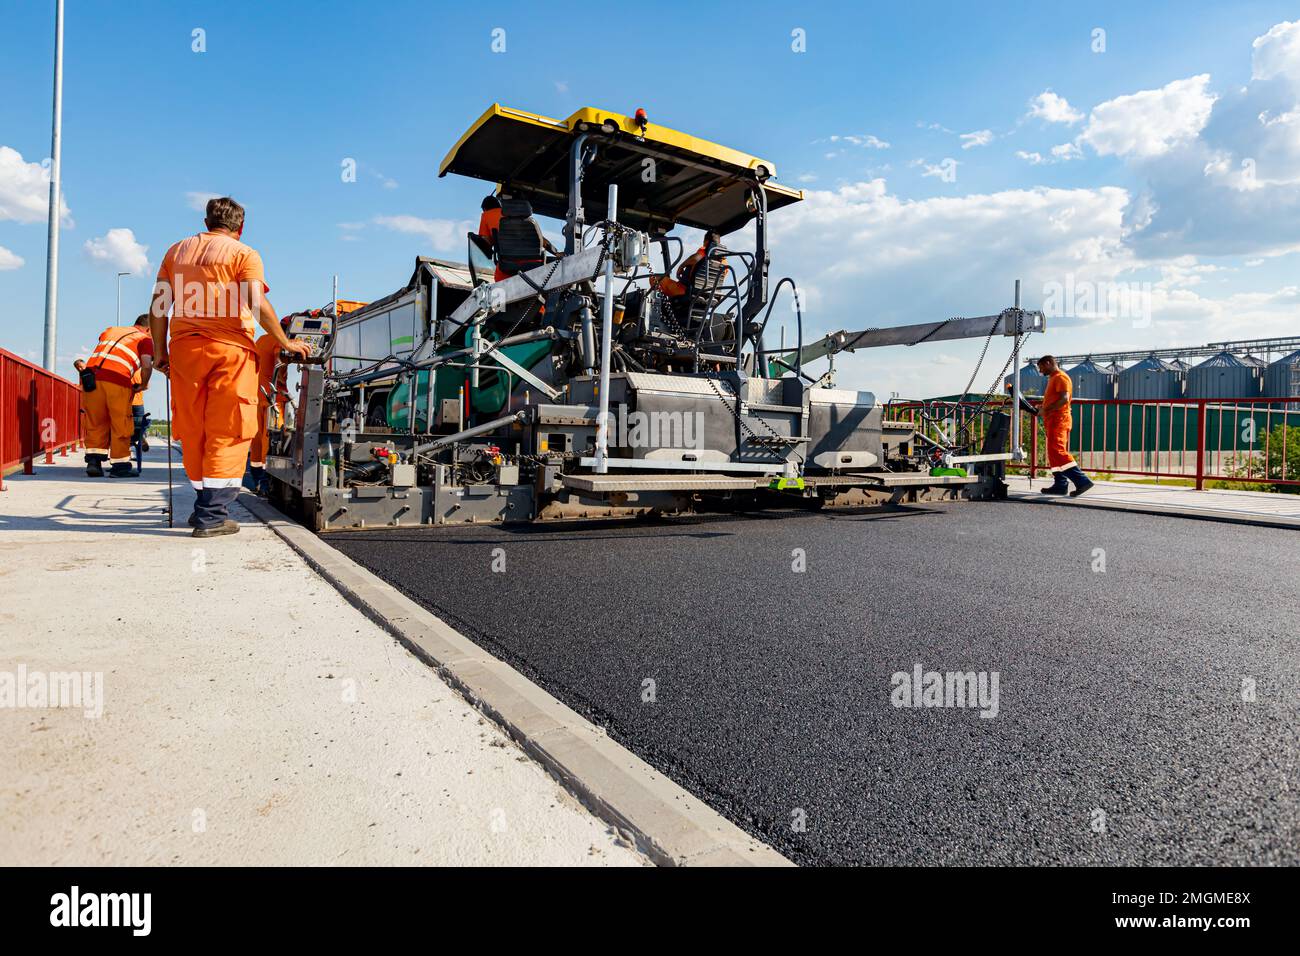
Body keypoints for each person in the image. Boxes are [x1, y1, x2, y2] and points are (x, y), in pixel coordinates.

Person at [150, 196, 312, 537]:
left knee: (193, 426)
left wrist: (160, 351)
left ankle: (202, 506)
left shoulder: (176, 251)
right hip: (229, 350)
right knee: (229, 426)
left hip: (184, 349)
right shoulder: (244, 254)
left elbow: (159, 305)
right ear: (240, 226)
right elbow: (255, 300)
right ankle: (212, 516)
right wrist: (286, 342)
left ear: (207, 221)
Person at [81, 315, 154, 478]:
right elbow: (147, 365)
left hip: (90, 379)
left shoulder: (111, 330)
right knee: (121, 422)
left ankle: (94, 462)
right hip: (116, 380)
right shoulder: (144, 339)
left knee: (96, 422)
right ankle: (120, 466)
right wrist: (143, 384)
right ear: (149, 329)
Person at [1035, 355, 1094, 497]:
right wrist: (1043, 407)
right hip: (1053, 420)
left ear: (1048, 363)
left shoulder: (1061, 377)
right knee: (1053, 453)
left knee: (1058, 451)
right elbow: (1055, 400)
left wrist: (1045, 410)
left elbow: (1064, 400)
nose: (1040, 370)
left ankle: (1082, 481)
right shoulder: (1053, 378)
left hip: (1059, 420)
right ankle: (1060, 485)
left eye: (1041, 367)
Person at [248, 318, 292, 494]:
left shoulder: (261, 340)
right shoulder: (279, 341)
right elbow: (279, 363)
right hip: (272, 399)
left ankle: (258, 480)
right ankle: (268, 483)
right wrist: (283, 376)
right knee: (273, 439)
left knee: (257, 440)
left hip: (255, 395)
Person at [655, 230, 723, 298]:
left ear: (706, 242)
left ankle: (665, 306)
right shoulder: (723, 262)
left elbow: (695, 258)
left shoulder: (704, 252)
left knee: (654, 278)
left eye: (703, 242)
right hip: (711, 296)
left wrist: (681, 266)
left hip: (687, 291)